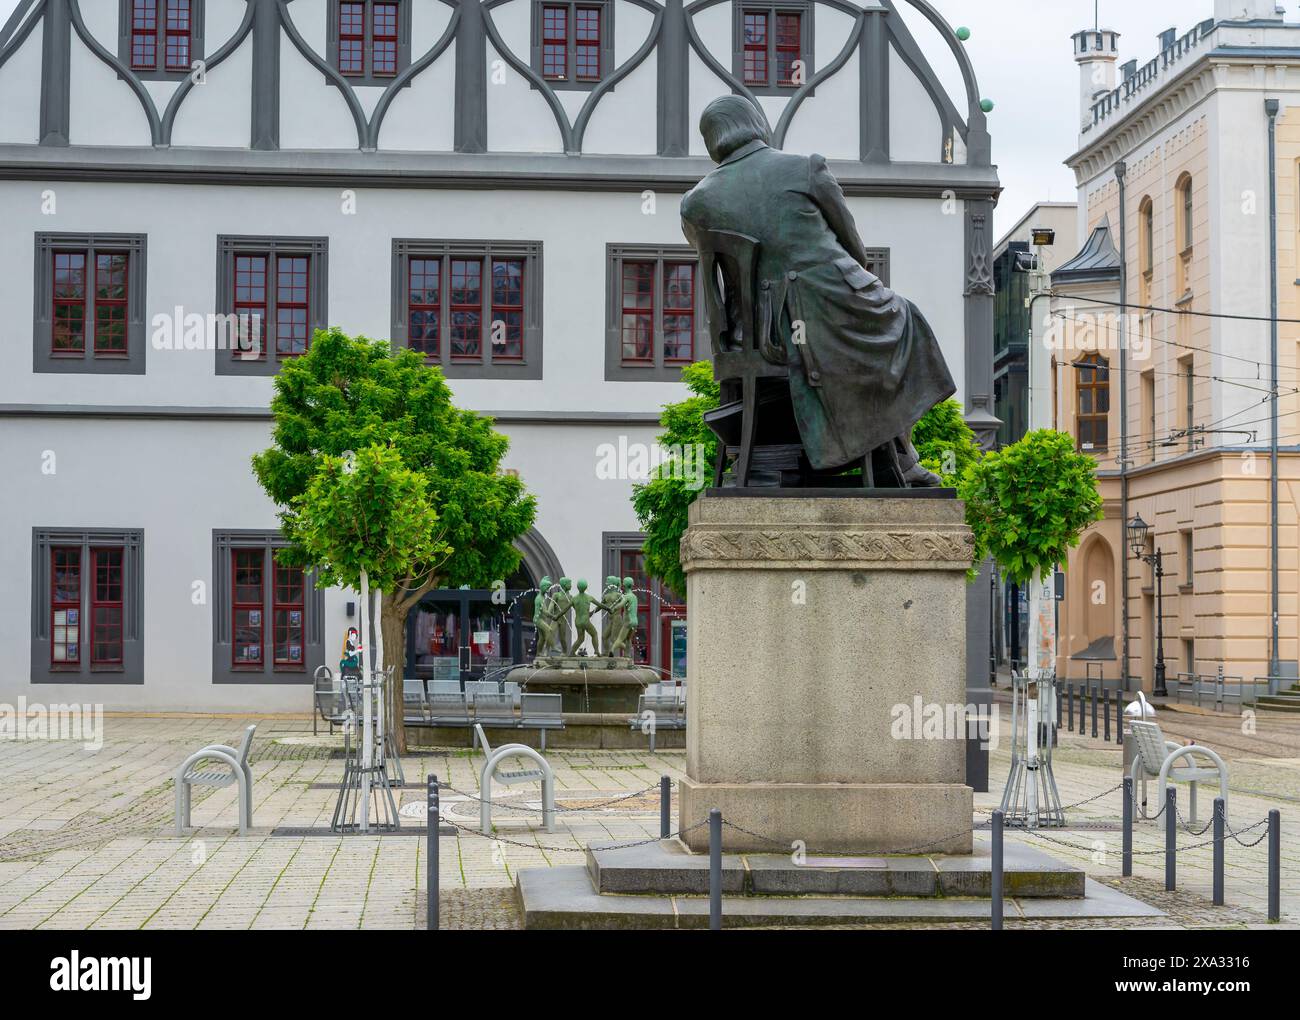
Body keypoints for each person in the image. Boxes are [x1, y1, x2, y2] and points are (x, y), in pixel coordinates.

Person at [680, 95, 951, 485]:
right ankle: (899, 456)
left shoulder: (694, 203)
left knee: (866, 333)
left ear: (713, 140)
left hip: (754, 338)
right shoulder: (805, 168)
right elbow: (853, 248)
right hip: (829, 314)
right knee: (905, 318)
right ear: (755, 123)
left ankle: (890, 455)